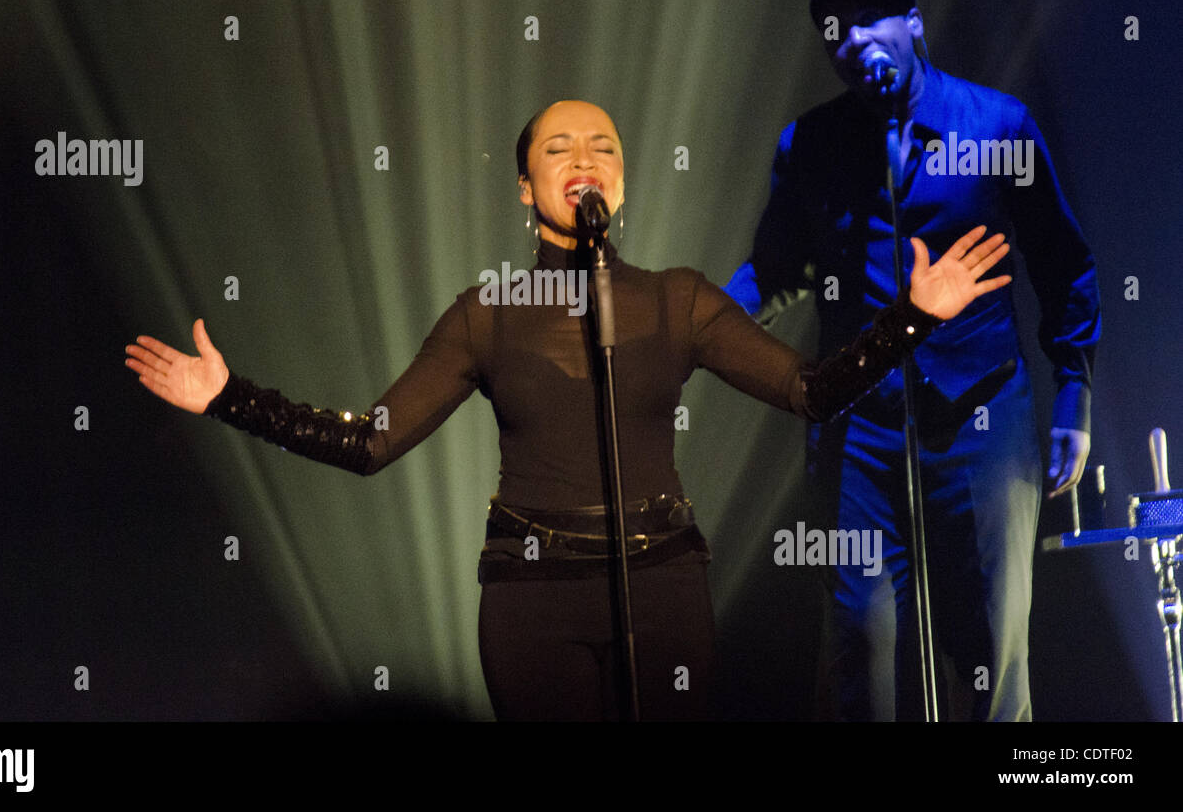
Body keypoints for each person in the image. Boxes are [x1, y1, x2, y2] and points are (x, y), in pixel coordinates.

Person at [126, 98, 1012, 721]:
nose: (584, 157)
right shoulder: (490, 309)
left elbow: (810, 390)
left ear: (622, 181)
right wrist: (231, 397)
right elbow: (371, 443)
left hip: (662, 581)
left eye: (603, 146)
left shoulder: (679, 299)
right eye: (558, 147)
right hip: (532, 595)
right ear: (525, 186)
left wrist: (912, 317)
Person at [725, 0, 1101, 721]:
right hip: (858, 429)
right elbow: (774, 273)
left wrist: (1073, 393)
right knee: (862, 643)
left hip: (980, 413)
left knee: (995, 644)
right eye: (838, 30)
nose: (856, 39)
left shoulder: (998, 125)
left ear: (915, 22)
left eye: (873, 19)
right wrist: (688, 322)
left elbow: (1065, 267)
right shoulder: (811, 144)